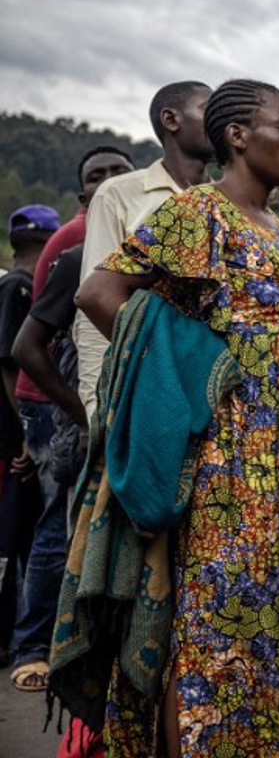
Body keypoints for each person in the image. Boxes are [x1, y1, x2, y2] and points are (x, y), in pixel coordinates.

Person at [72, 78, 279, 754]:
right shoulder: (199, 212)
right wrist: (192, 377)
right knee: (225, 616)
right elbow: (99, 293)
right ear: (238, 137)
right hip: (241, 461)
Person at [5, 148, 133, 694]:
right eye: (95, 178)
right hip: (73, 415)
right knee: (60, 525)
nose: (107, 183)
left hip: (125, 415)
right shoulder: (76, 253)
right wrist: (79, 412)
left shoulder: (148, 250)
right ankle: (33, 646)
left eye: (117, 174)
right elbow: (29, 347)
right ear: (83, 198)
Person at [75, 81, 213, 418]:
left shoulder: (225, 202)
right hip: (140, 390)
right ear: (171, 119)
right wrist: (97, 404)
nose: (222, 120)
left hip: (206, 389)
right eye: (209, 110)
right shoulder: (119, 195)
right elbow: (93, 306)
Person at [0, 204, 59, 688]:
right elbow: (12, 359)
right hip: (30, 417)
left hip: (26, 419)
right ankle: (28, 639)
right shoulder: (16, 288)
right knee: (39, 528)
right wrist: (22, 430)